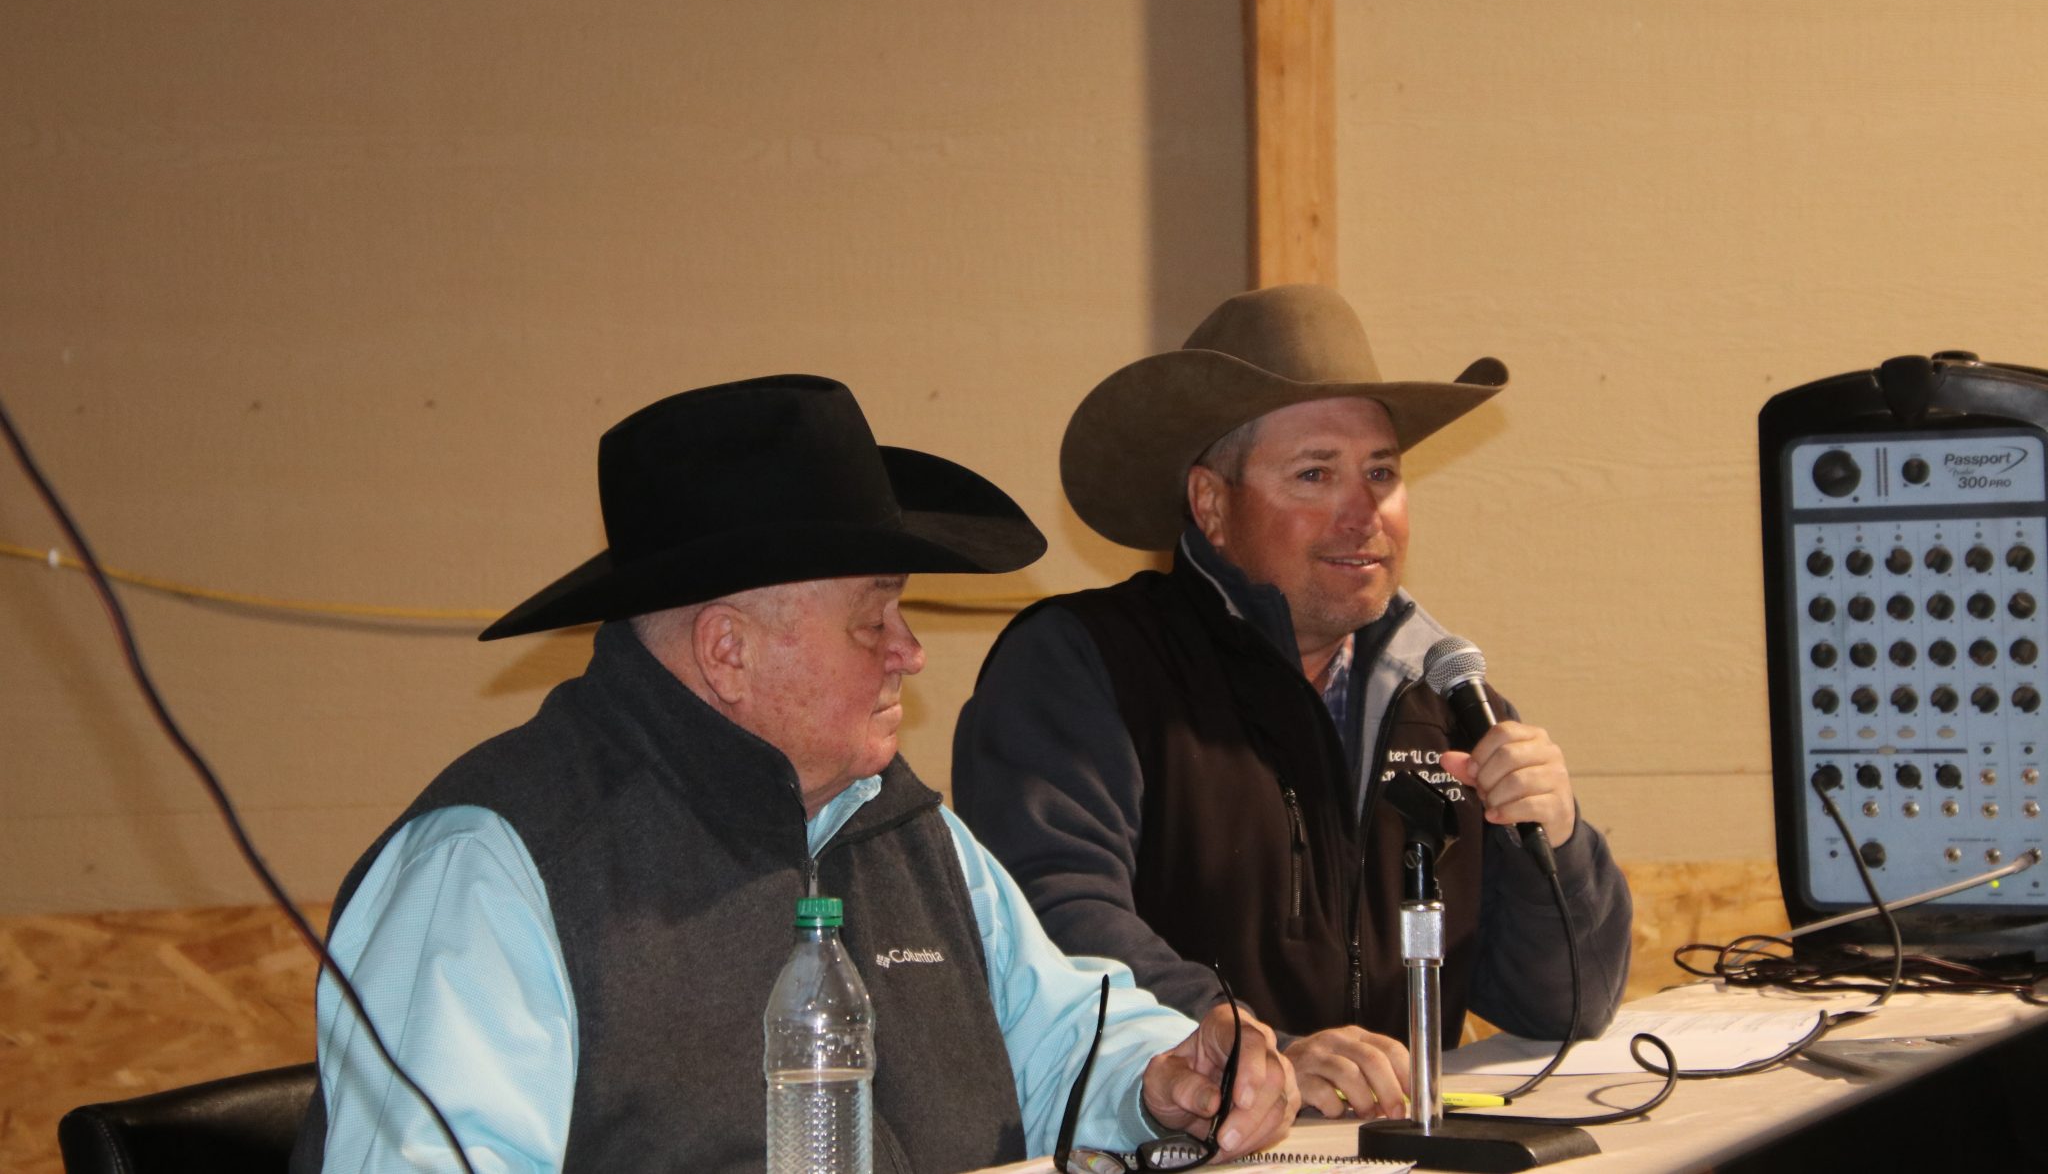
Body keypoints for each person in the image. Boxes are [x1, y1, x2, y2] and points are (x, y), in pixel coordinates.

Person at [290, 374, 1297, 1174]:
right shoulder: (492, 866)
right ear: (728, 652)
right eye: (874, 619)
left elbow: (1058, 1037)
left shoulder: (906, 832)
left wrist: (1160, 1078)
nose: (908, 652)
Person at [952, 285, 1633, 1124]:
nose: (1366, 511)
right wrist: (1256, 1052)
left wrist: (1553, 842)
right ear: (1210, 504)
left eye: (1382, 471)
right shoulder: (1087, 663)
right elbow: (1053, 923)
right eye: (1317, 474)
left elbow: (1567, 1006)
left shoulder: (1448, 700)